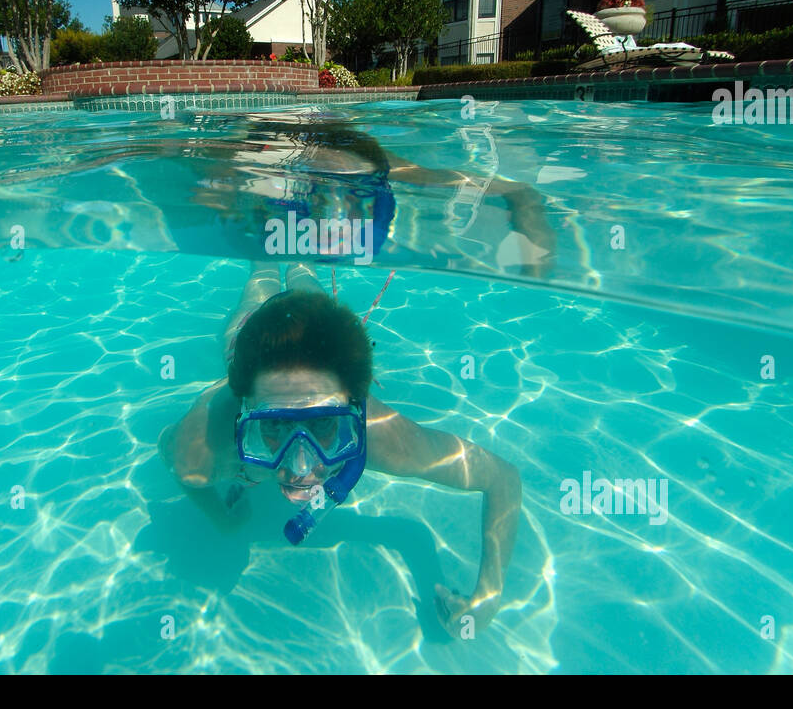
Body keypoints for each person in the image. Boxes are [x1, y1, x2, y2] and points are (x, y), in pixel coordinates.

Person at [160, 261, 522, 638]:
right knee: (261, 275)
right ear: (243, 407)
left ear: (352, 407)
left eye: (323, 424)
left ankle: (299, 254)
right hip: (248, 336)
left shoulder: (381, 435)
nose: (300, 467)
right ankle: (269, 256)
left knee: (306, 280)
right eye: (274, 426)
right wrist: (218, 516)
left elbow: (501, 478)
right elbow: (167, 450)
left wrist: (488, 596)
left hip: (314, 333)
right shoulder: (200, 448)